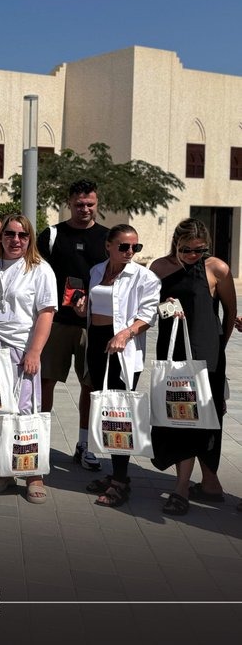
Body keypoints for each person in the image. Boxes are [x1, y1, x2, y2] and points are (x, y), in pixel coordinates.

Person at [149, 219, 235, 515]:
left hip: (207, 354)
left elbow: (229, 312)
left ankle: (202, 483)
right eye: (187, 250)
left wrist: (218, 349)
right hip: (173, 350)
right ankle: (188, 485)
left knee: (208, 418)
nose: (193, 255)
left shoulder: (217, 268)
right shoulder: (159, 268)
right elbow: (151, 310)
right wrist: (166, 307)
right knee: (180, 415)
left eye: (200, 250)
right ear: (176, 243)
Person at [74, 225, 159, 509]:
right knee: (103, 408)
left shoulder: (144, 276)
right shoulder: (97, 270)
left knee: (120, 414)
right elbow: (95, 308)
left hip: (122, 349)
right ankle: (114, 473)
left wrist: (125, 333)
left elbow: (148, 315)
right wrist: (81, 308)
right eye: (124, 247)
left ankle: (120, 480)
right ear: (108, 245)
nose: (130, 252)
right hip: (98, 344)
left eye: (136, 247)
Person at [37, 180, 109, 472]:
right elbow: (37, 273)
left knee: (90, 387)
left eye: (90, 204)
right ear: (69, 203)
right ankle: (40, 442)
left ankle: (84, 444)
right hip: (54, 322)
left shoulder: (107, 237)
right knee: (45, 383)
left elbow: (115, 279)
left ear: (97, 203)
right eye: (79, 204)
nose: (85, 209)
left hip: (92, 325)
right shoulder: (52, 235)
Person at [0, 214, 56, 503]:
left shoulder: (39, 269)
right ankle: (4, 468)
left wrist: (35, 352)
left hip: (22, 348)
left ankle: (33, 474)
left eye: (22, 235)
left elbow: (46, 313)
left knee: (25, 410)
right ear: (0, 237)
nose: (16, 240)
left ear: (30, 239)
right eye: (10, 234)